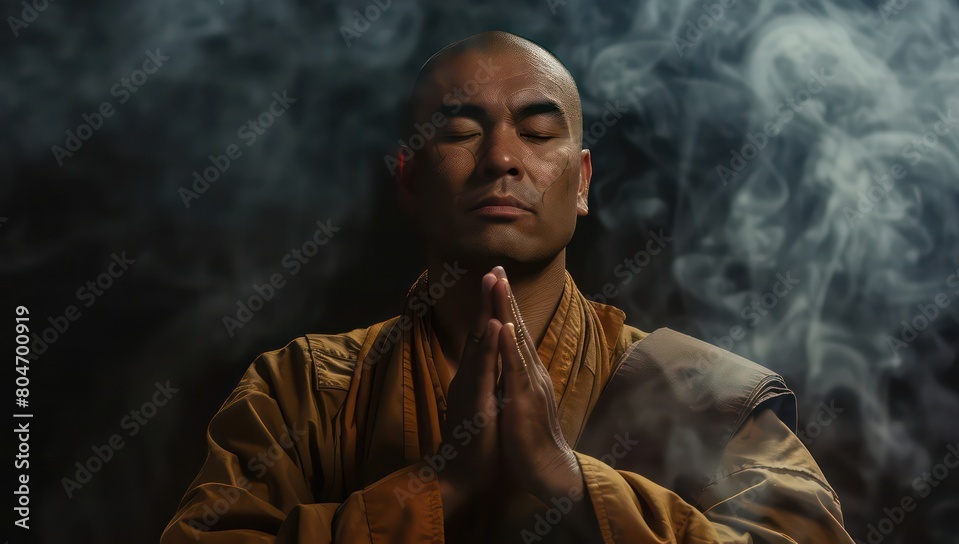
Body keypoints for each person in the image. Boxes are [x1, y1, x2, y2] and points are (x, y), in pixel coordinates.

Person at [161, 30, 853, 543]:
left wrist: (571, 482)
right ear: (408, 178)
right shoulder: (302, 388)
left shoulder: (702, 390)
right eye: (461, 131)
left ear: (582, 181)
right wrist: (440, 485)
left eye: (537, 132)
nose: (501, 159)